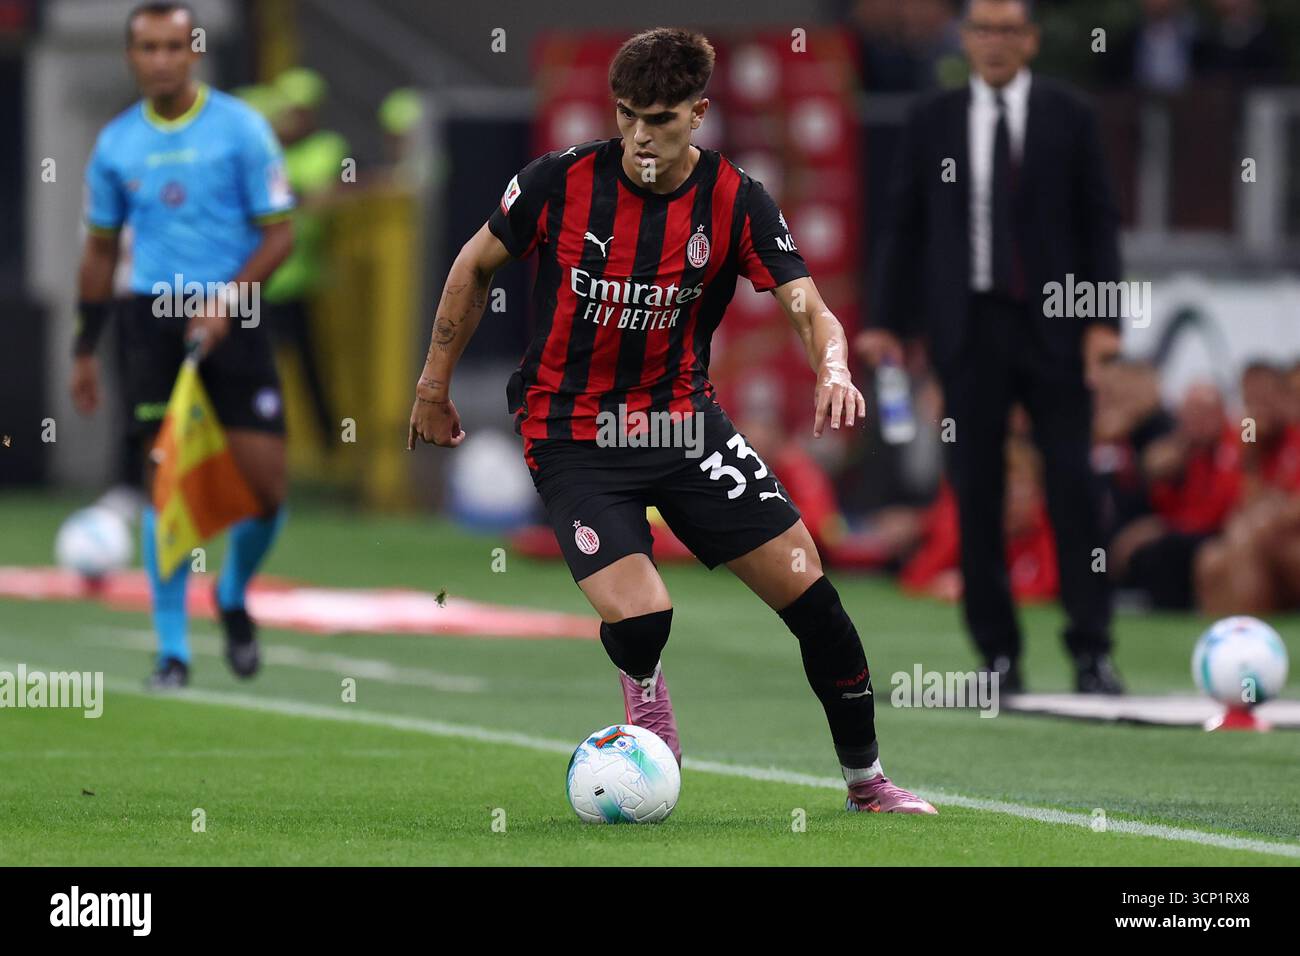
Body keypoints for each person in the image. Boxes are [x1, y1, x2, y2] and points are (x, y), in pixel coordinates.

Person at [408, 28, 936, 814]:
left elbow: (806, 304)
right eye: (626, 116)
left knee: (813, 597)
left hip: (682, 427)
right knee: (647, 610)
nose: (640, 137)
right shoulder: (557, 183)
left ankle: (868, 783)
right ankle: (645, 689)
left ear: (699, 112)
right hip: (572, 431)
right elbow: (473, 263)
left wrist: (833, 367)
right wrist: (432, 384)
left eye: (659, 119)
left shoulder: (735, 199)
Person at [860, 0, 1124, 694]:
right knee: (976, 492)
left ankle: (1092, 651)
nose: (997, 42)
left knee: (1071, 486)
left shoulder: (1071, 116)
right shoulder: (932, 120)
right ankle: (998, 657)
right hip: (968, 330)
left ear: (1031, 39)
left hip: (1056, 328)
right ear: (967, 39)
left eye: (1010, 29)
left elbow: (1100, 224)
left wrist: (1103, 323)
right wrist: (888, 320)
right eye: (984, 29)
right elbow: (904, 227)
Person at [72, 2, 294, 688]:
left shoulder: (242, 130)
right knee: (164, 484)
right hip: (151, 325)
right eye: (148, 47)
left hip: (237, 315)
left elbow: (279, 233)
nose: (162, 59)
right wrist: (86, 346)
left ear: (194, 51)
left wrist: (229, 299)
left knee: (265, 491)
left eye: (174, 46)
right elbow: (101, 253)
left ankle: (230, 595)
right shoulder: (115, 145)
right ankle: (173, 652)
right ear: (131, 55)